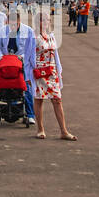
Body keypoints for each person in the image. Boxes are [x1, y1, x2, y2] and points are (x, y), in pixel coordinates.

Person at [32, 9, 76, 140]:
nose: (46, 22)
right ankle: (40, 129)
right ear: (37, 22)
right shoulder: (33, 37)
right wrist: (29, 76)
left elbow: (55, 55)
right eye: (43, 20)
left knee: (57, 100)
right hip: (39, 72)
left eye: (47, 20)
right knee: (39, 100)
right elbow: (29, 56)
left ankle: (64, 131)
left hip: (52, 72)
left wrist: (59, 70)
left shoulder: (51, 36)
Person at [0, 9, 37, 123]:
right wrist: (0, 57)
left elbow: (31, 48)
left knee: (25, 88)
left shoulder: (28, 31)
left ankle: (30, 114)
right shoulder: (3, 30)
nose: (12, 27)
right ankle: (9, 110)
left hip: (22, 64)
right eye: (10, 24)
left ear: (19, 22)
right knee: (7, 86)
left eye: (15, 24)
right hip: (6, 62)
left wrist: (31, 64)